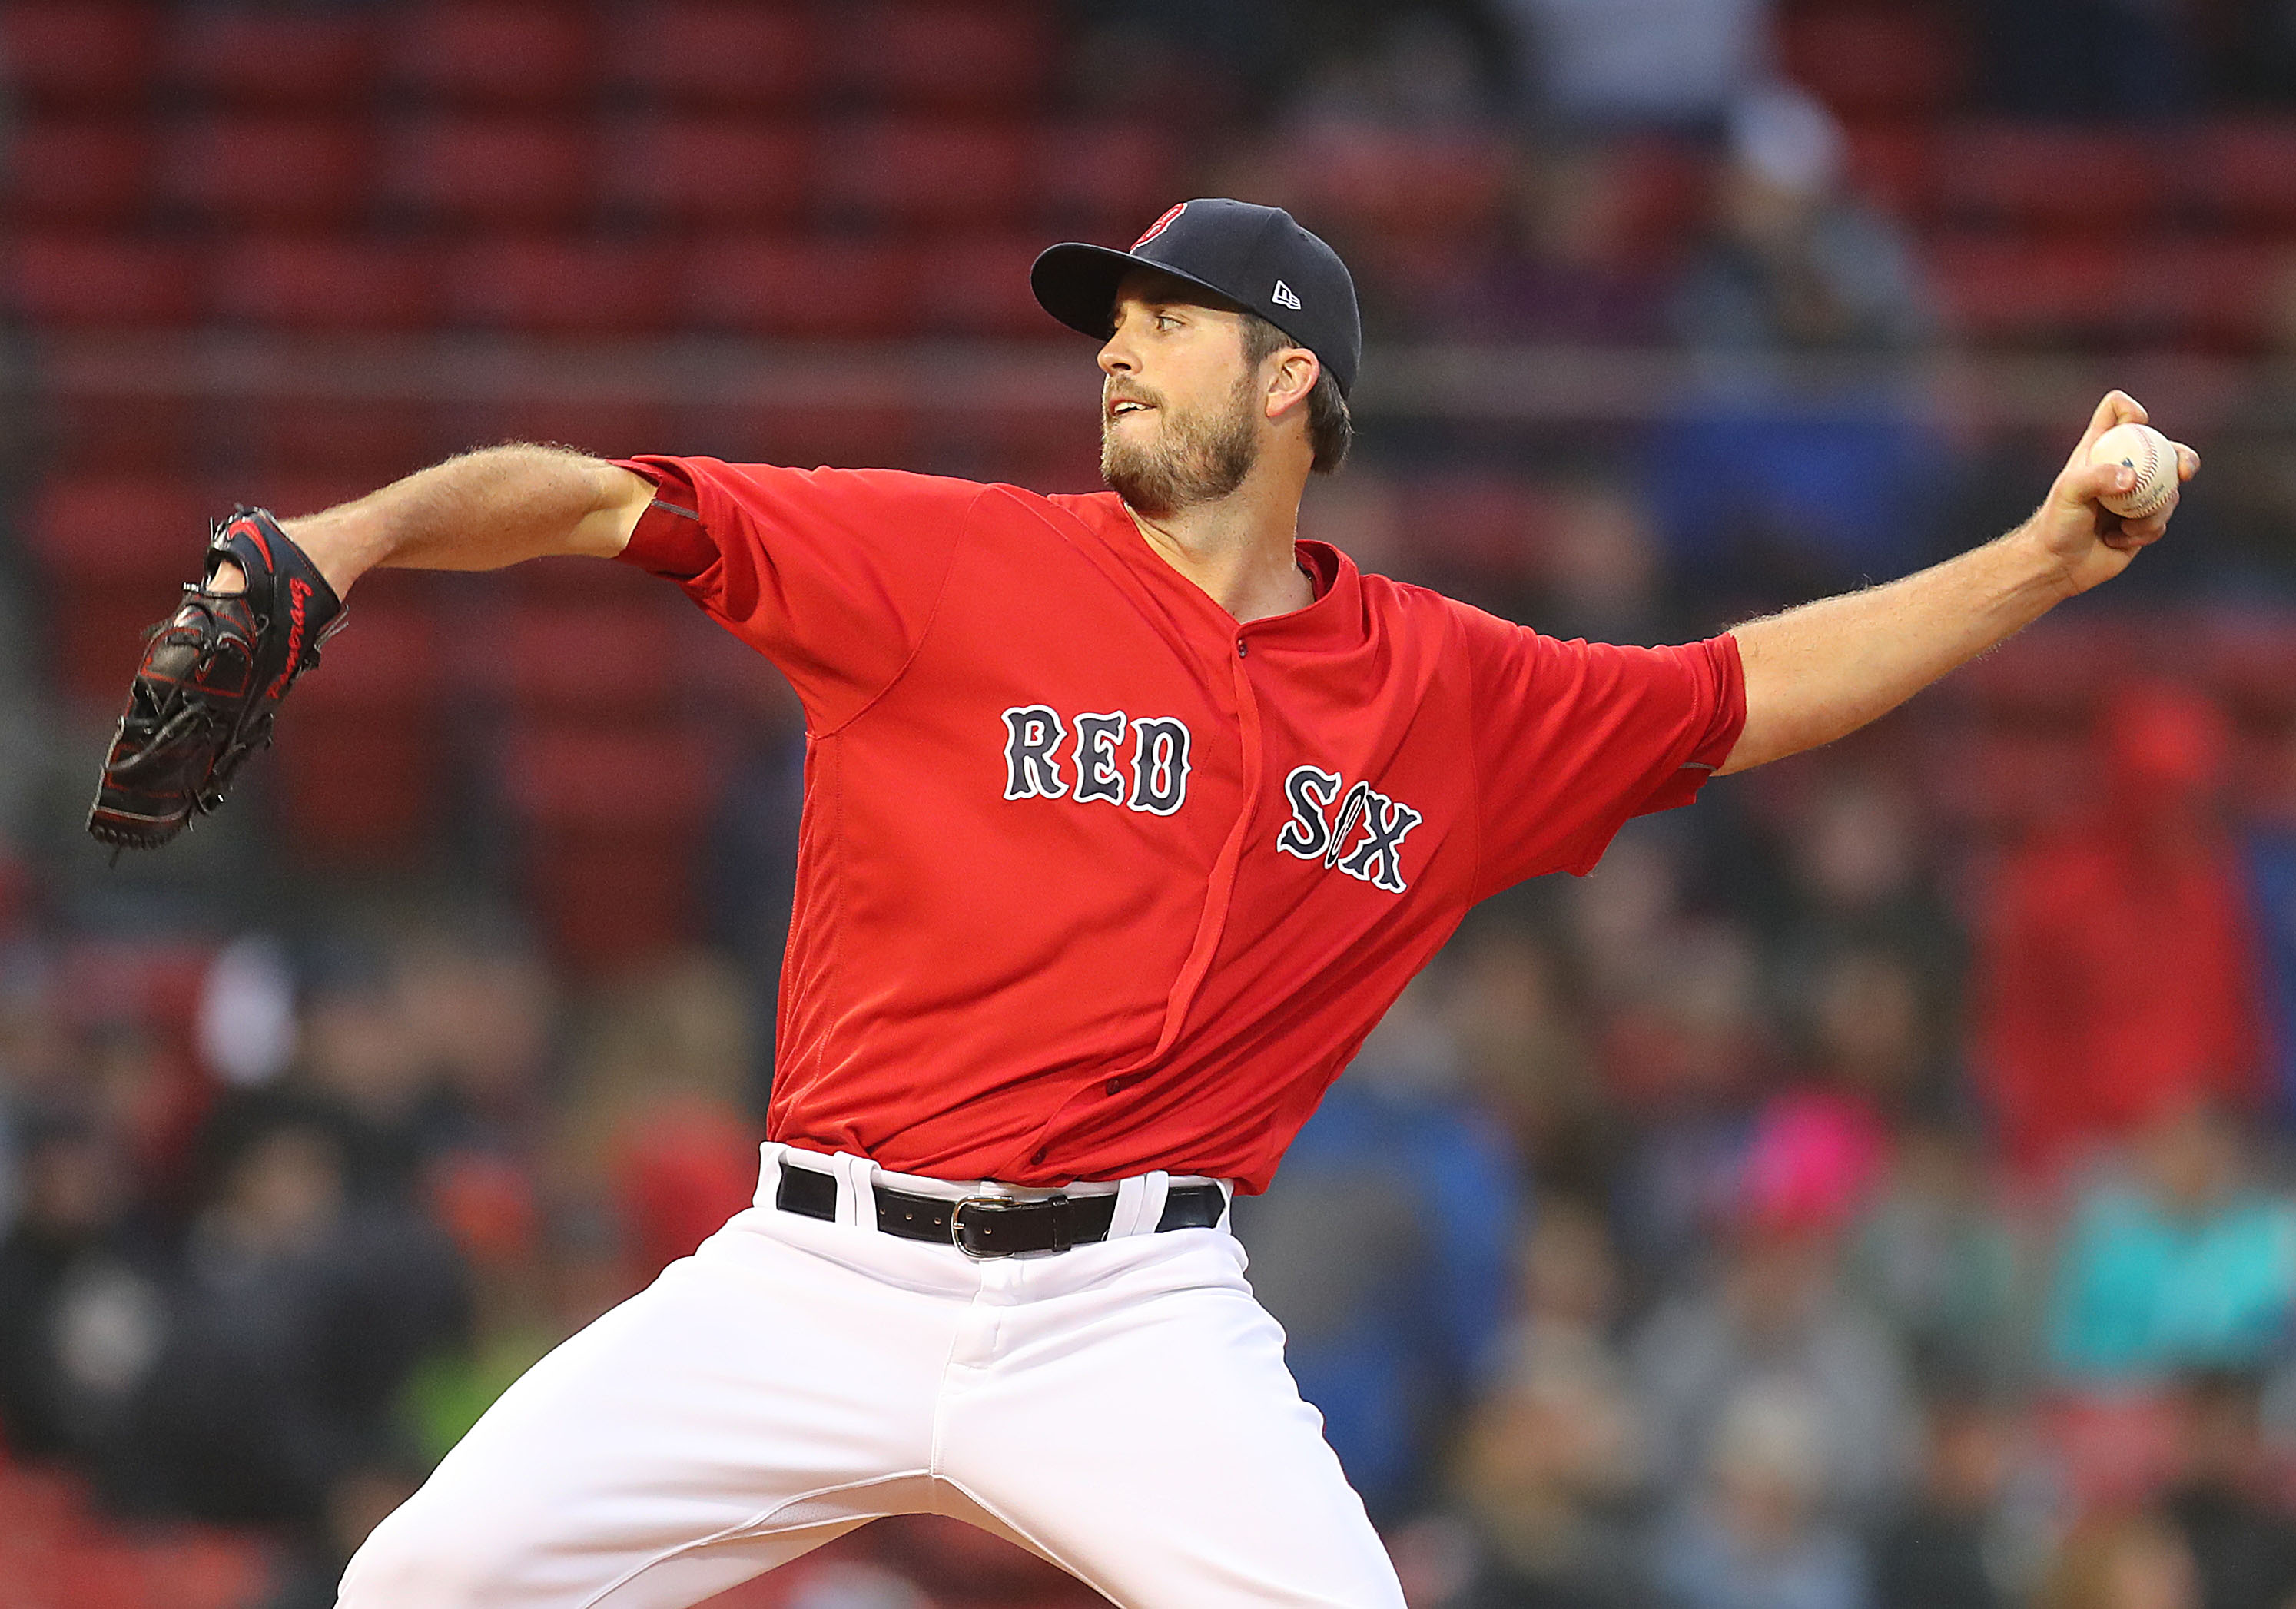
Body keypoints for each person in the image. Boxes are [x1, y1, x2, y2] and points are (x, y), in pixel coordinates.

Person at [190, 198, 2186, 1608]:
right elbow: (605, 500)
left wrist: (2036, 560)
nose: (1116, 348)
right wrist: (349, 544)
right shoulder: (946, 562)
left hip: (1128, 1315)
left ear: (1291, 374)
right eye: (1107, 322)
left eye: (1163, 316)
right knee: (425, 1584)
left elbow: (1731, 699)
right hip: (814, 1274)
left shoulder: (1448, 694)